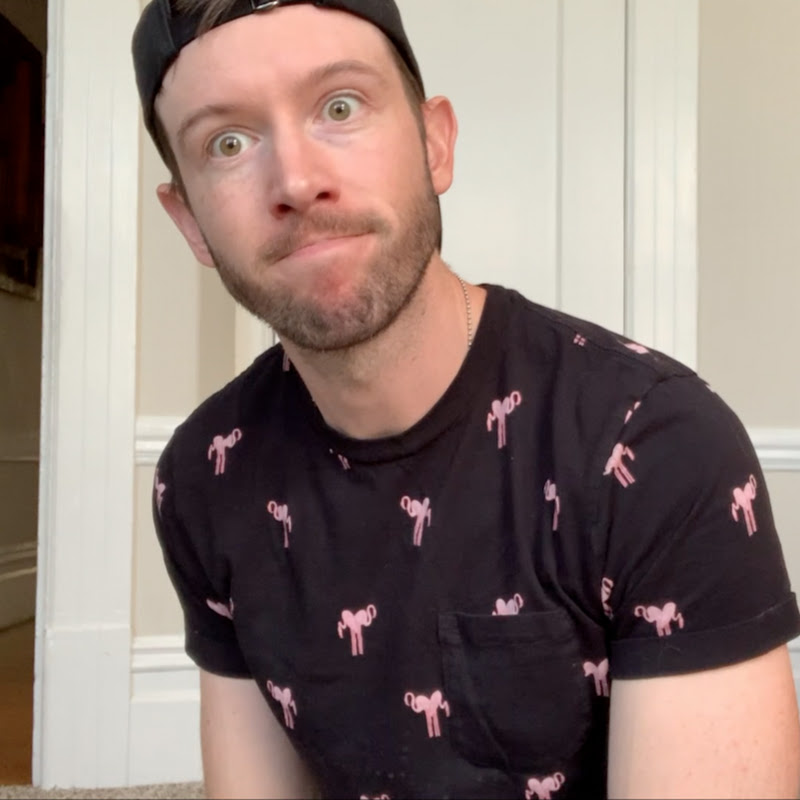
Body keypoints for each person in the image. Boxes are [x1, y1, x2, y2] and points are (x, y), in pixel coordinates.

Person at [132, 1, 800, 797]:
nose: (297, 182)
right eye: (228, 143)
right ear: (191, 222)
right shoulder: (207, 475)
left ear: (435, 144)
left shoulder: (657, 444)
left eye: (340, 106)